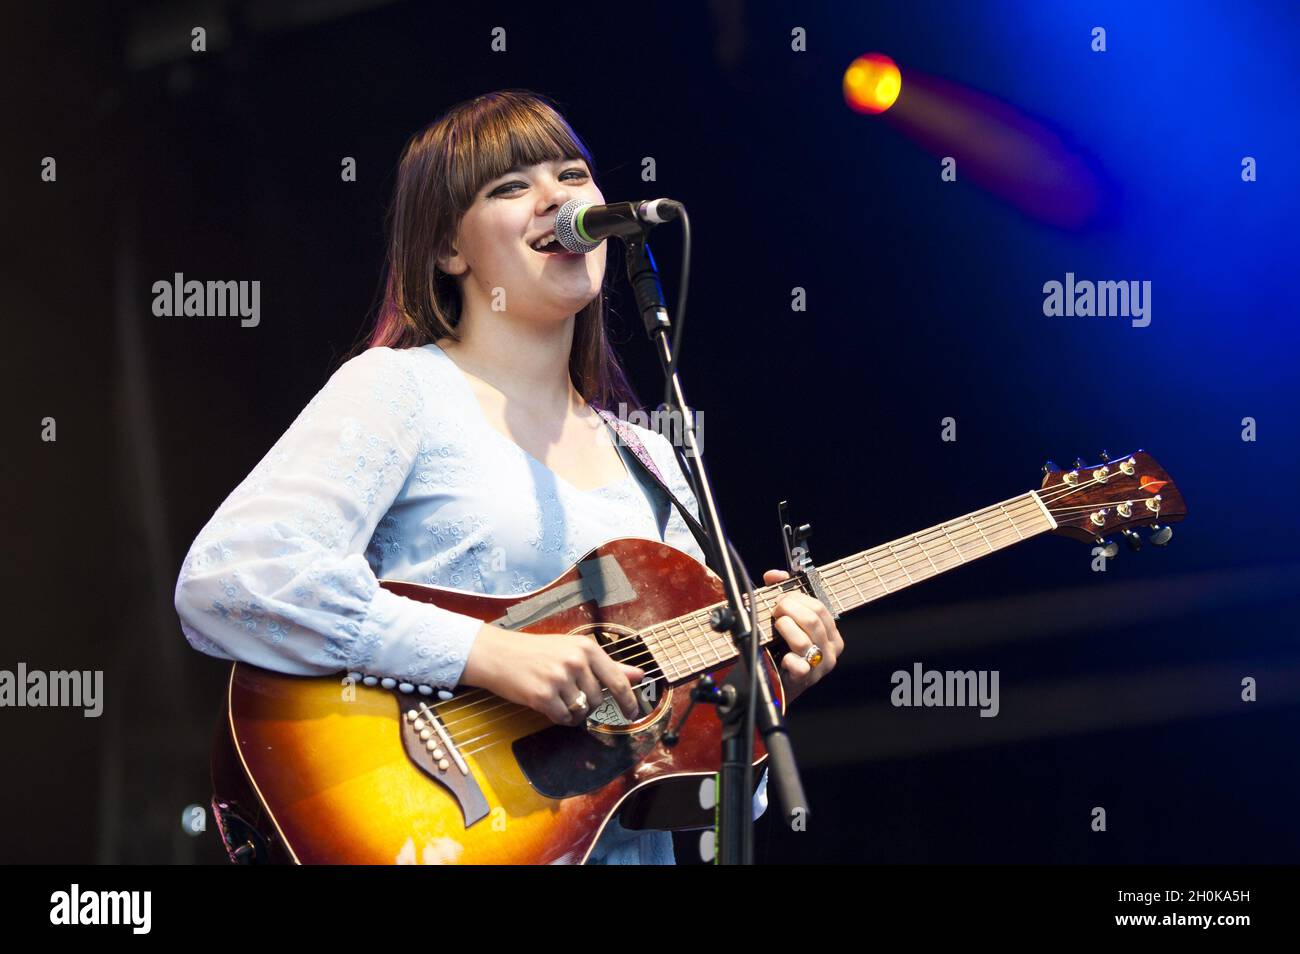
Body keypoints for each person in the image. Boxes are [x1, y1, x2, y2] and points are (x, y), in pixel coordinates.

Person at [173, 89, 843, 864]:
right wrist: (484, 654)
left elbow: (690, 797)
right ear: (447, 251)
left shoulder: (654, 460)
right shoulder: (400, 390)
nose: (558, 198)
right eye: (510, 186)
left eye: (572, 174)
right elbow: (231, 579)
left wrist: (761, 696)